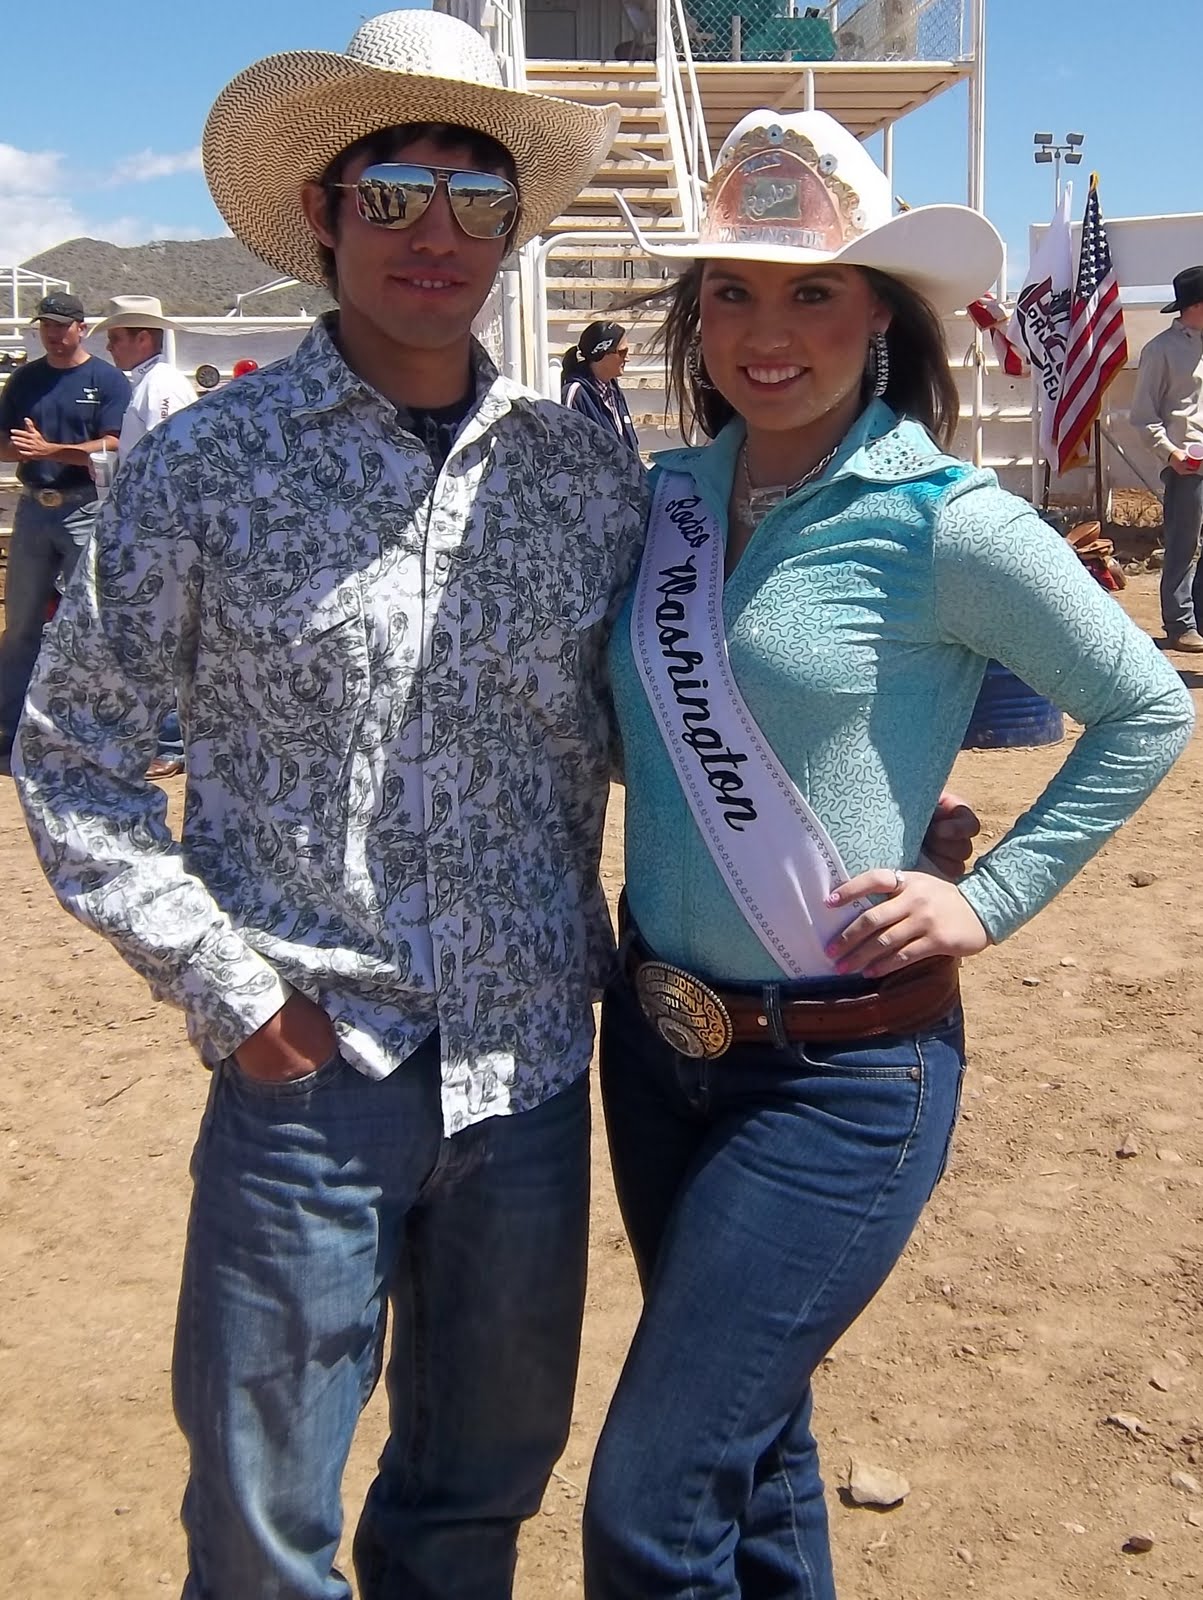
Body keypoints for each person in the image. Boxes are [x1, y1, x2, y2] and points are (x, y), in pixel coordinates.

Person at [13, 12, 642, 1598]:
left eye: (477, 199)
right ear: (320, 212)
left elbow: (683, 722)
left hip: (524, 1076)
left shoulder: (580, 482)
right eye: (392, 193)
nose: (435, 233)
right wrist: (232, 991)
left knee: (474, 1495)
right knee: (260, 1521)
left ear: (517, 226)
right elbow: (75, 755)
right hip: (310, 1074)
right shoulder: (206, 468)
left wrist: (883, 810)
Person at [583, 110, 1195, 1599]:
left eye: (810, 292)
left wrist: (979, 898)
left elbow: (1141, 708)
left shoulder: (944, 521)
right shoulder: (660, 500)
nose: (762, 329)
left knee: (646, 1515)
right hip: (654, 1044)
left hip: (838, 1074)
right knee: (755, 1451)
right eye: (731, 288)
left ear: (876, 316)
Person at [0, 292, 130, 766]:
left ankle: (86, 729)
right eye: (45, 327)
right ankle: (10, 729)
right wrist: (29, 451)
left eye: (61, 326)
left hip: (84, 508)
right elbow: (6, 444)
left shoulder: (106, 380)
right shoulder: (25, 380)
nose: (53, 335)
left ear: (81, 327)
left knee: (90, 622)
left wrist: (49, 449)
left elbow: (113, 443)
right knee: (21, 624)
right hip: (34, 509)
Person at [92, 294, 198, 778]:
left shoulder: (160, 386)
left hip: (161, 526)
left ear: (143, 337)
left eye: (117, 337)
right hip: (154, 523)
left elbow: (168, 457)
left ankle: (171, 741)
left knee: (164, 634)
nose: (111, 347)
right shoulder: (151, 384)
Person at [1130, 263, 1203, 653]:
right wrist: (1170, 453)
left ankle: (1198, 619)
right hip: (1187, 461)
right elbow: (1142, 414)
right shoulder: (1160, 350)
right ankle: (1180, 622)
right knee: (1184, 543)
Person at [562, 319, 641, 453]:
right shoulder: (576, 394)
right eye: (622, 352)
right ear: (601, 353)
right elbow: (569, 449)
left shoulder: (614, 391)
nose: (627, 358)